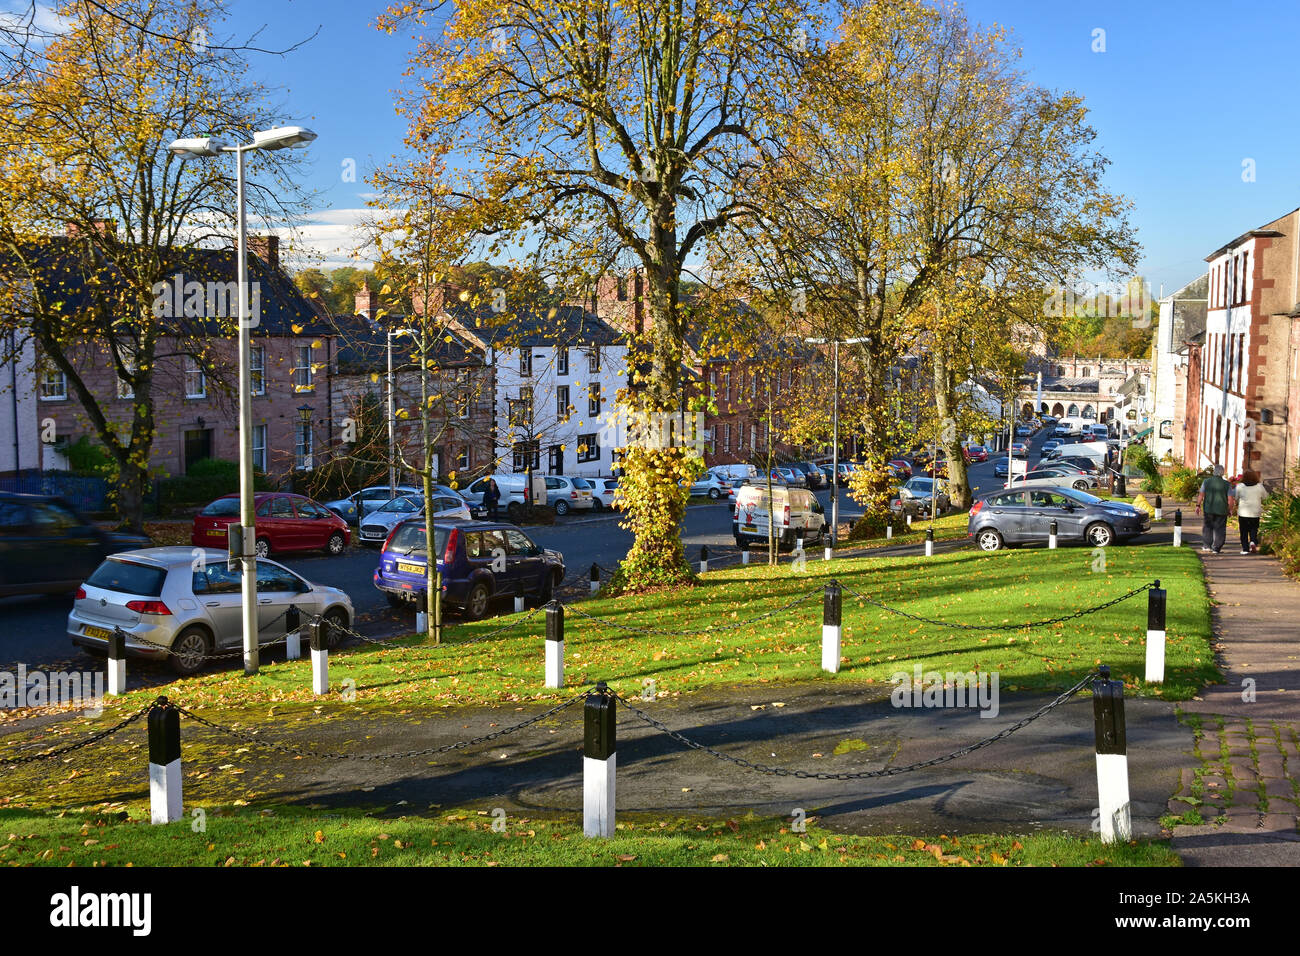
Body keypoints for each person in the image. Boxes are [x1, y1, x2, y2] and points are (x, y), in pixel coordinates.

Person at [1196, 464, 1231, 554]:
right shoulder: (1227, 484)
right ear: (1222, 473)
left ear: (1214, 472)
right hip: (1222, 509)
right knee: (1220, 529)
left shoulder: (1206, 482)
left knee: (1208, 527)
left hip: (1209, 509)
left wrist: (1198, 505)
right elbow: (1230, 499)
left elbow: (1201, 494)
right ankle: (1216, 548)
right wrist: (1229, 509)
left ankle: (1207, 546)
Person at [1234, 470, 1267, 554]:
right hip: (1255, 512)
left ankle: (1245, 549)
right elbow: (1265, 497)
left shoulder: (1240, 486)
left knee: (1243, 531)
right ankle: (1253, 541)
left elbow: (1236, 498)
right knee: (1254, 529)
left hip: (1243, 512)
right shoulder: (1259, 487)